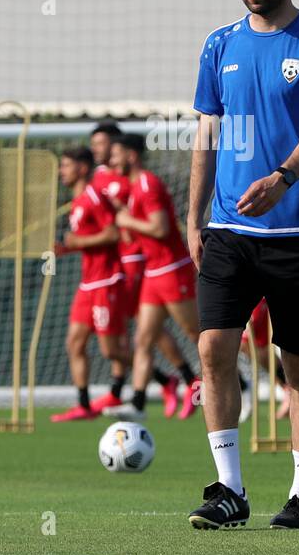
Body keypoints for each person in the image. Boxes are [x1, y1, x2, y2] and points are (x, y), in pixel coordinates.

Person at [186, 0, 299, 530]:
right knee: (212, 348)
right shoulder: (217, 45)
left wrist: (280, 179)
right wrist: (193, 216)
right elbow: (205, 133)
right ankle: (229, 490)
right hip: (228, 229)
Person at [101, 133, 203, 420]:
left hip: (172, 269)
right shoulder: (133, 189)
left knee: (197, 334)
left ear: (131, 155)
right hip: (153, 273)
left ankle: (233, 385)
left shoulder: (147, 184)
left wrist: (125, 220)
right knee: (143, 340)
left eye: (116, 154)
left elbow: (159, 228)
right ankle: (137, 404)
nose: (112, 160)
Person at [50, 148, 133, 422]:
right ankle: (84, 406)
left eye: (66, 165)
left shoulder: (94, 196)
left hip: (107, 280)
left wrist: (77, 242)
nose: (62, 171)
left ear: (83, 168)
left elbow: (113, 233)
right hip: (88, 283)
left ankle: (161, 375)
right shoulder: (76, 202)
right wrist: (66, 248)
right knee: (74, 343)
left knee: (110, 350)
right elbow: (87, 240)